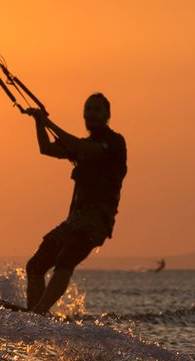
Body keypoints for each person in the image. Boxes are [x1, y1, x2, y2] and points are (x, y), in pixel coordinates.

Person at [15, 93, 127, 314]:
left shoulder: (115, 142)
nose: (91, 114)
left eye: (96, 109)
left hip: (97, 221)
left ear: (107, 115)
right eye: (88, 110)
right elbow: (46, 148)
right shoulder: (81, 146)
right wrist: (39, 122)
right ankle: (35, 318)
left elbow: (82, 148)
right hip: (75, 219)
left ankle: (39, 311)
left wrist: (48, 122)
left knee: (65, 260)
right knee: (35, 266)